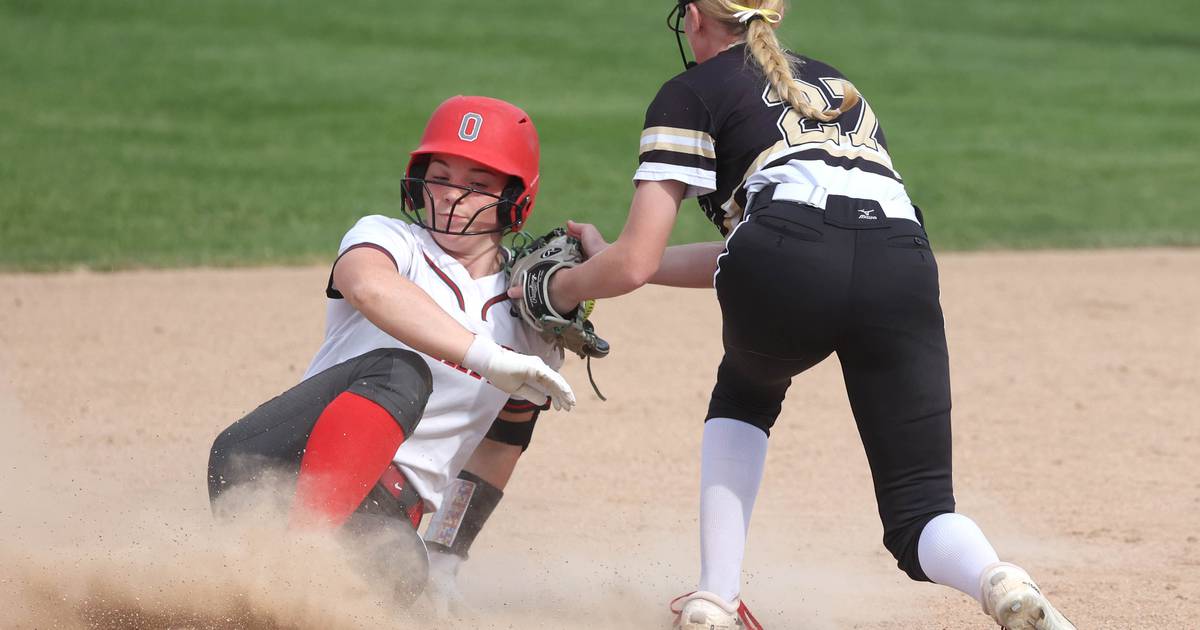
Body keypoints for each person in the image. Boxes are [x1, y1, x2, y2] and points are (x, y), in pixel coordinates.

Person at [517, 2, 1077, 628]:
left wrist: (560, 287)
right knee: (920, 510)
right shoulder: (839, 86)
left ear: (697, 18)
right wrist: (614, 259)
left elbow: (646, 264)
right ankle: (997, 578)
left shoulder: (689, 92)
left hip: (783, 254)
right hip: (903, 259)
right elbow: (797, 237)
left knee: (747, 392)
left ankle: (715, 599)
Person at [207, 95, 574, 609]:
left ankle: (271, 596)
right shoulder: (389, 239)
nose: (450, 196)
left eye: (477, 186)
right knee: (403, 371)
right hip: (269, 466)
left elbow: (499, 448)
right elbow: (368, 288)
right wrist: (485, 358)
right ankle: (295, 559)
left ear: (516, 200)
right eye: (440, 175)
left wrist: (447, 558)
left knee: (405, 576)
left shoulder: (527, 320)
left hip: (375, 518)